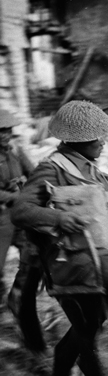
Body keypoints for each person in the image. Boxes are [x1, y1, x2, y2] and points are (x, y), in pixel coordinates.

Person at [11, 100, 108, 376]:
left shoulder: (91, 169)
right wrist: (58, 219)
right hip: (71, 256)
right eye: (98, 138)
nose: (104, 143)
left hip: (102, 249)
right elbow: (20, 210)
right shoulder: (52, 168)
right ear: (77, 140)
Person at [0, 109, 42, 318]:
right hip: (1, 218)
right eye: (0, 131)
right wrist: (14, 196)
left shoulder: (15, 150)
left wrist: (31, 186)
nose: (4, 135)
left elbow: (34, 172)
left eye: (7, 130)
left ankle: (16, 296)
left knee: (32, 254)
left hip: (19, 214)